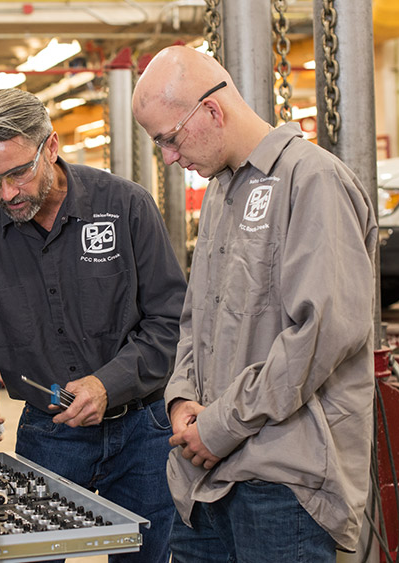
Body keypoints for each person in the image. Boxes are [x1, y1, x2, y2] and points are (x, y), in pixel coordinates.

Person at [131, 46, 377, 562]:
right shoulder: (222, 193)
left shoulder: (311, 180)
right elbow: (194, 318)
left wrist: (221, 426)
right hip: (204, 475)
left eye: (169, 140)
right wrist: (179, 401)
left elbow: (322, 331)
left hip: (282, 483)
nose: (170, 158)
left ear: (212, 111)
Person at [0, 87, 188, 563]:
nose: (6, 193)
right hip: (50, 433)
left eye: (17, 174)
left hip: (143, 431)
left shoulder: (126, 207)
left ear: (50, 147)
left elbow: (170, 321)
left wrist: (106, 384)